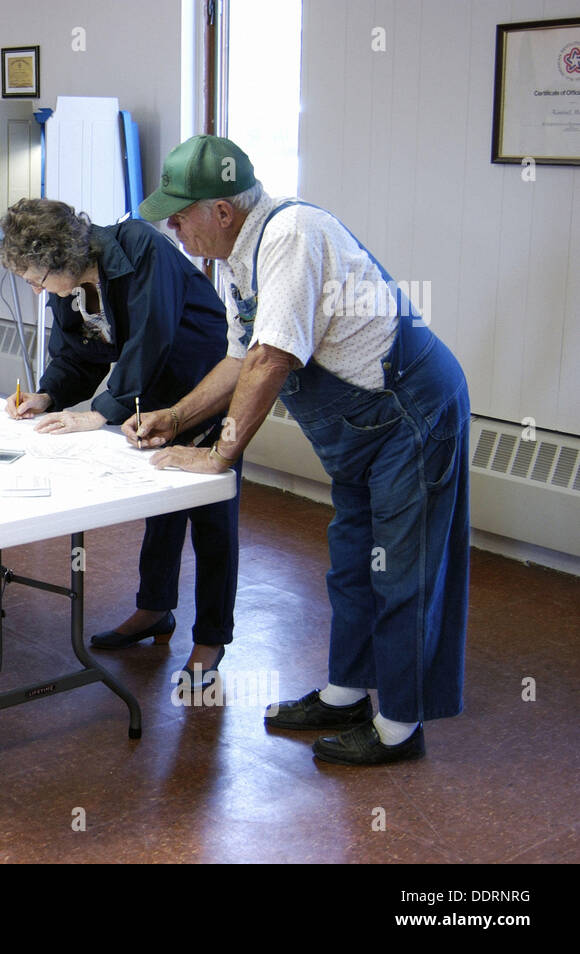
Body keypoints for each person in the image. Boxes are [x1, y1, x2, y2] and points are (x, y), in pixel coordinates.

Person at [132, 135, 470, 765]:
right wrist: (174, 417)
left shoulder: (290, 236)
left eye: (179, 214)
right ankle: (346, 694)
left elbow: (271, 358)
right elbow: (239, 355)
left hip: (408, 414)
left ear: (222, 211)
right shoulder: (238, 256)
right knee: (352, 564)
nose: (172, 227)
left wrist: (220, 454)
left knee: (401, 570)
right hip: (364, 428)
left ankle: (399, 726)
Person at [0, 197, 237, 687]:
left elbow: (153, 339)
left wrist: (99, 414)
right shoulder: (67, 287)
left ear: (60, 255)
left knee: (211, 510)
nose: (33, 285)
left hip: (206, 383)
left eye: (35, 277)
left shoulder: (139, 247)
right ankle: (154, 609)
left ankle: (211, 638)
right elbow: (75, 355)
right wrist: (47, 395)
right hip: (150, 389)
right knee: (161, 502)